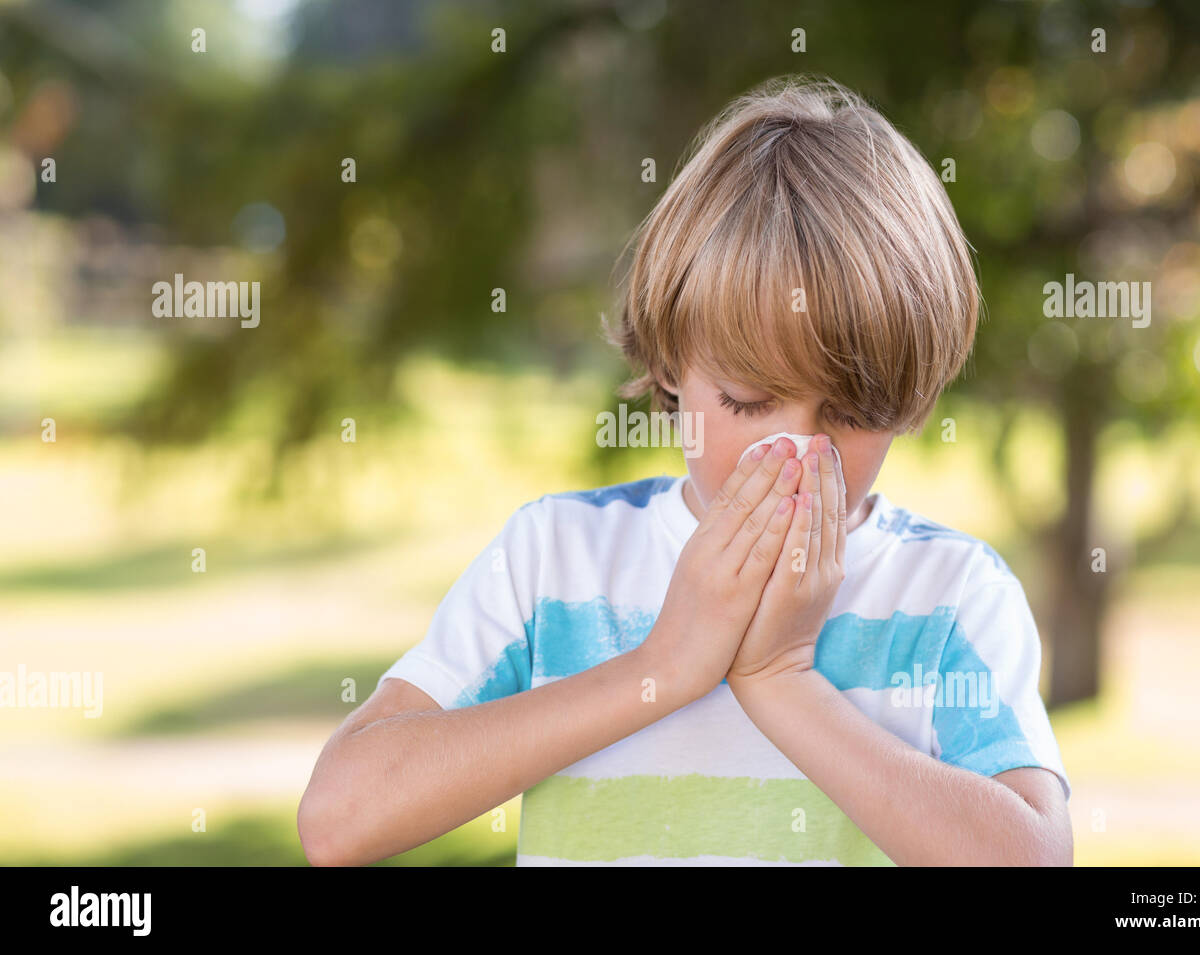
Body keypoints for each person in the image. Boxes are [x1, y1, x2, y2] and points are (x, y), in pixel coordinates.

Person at [298, 73, 1073, 867]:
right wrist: (662, 667)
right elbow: (339, 818)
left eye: (855, 411)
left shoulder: (948, 596)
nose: (800, 456)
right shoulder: (555, 561)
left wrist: (780, 680)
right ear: (671, 362)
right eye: (747, 400)